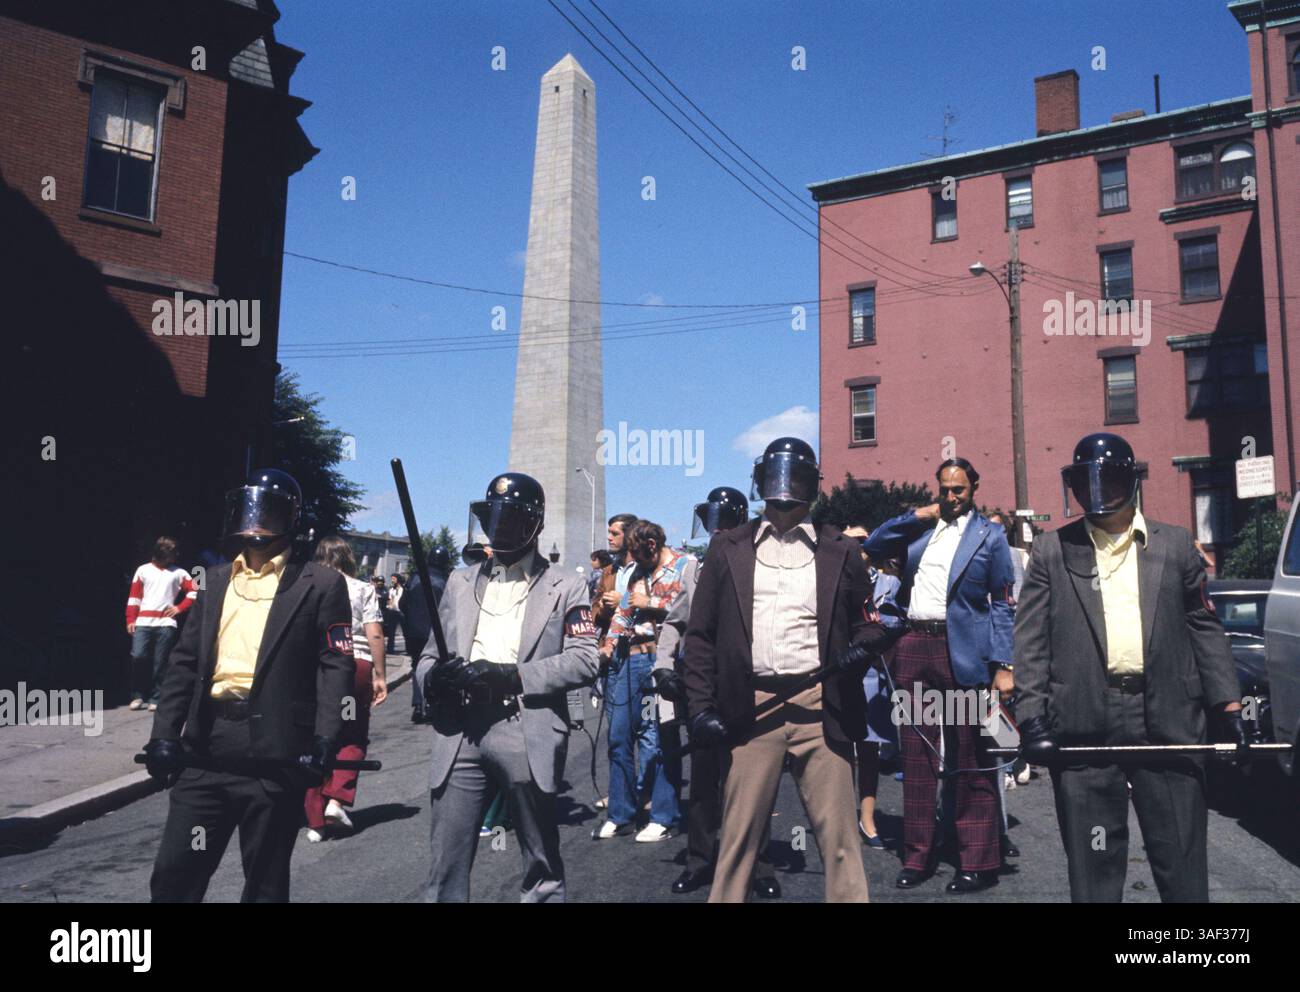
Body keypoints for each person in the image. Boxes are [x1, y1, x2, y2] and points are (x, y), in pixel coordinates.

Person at [1015, 432, 1245, 903]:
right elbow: (1032, 640)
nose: (1097, 494)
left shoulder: (1175, 545)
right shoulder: (1052, 552)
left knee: (1180, 862)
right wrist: (1032, 716)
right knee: (1095, 864)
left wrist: (1230, 705)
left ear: (1130, 481)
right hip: (1084, 724)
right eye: (1086, 483)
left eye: (1108, 480)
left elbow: (1204, 628)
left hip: (1168, 721)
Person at [683, 437, 886, 903]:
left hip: (821, 708)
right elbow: (699, 639)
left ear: (812, 484)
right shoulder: (727, 548)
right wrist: (701, 707)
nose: (784, 488)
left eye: (795, 476)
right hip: (751, 709)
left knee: (839, 845)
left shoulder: (840, 550)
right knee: (738, 843)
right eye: (777, 475)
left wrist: (864, 648)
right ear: (760, 482)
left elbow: (867, 623)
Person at [143, 469, 355, 902]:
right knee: (174, 875)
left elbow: (335, 667)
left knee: (265, 883)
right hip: (206, 749)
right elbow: (184, 663)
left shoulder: (320, 583)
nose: (255, 522)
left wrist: (324, 739)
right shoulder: (216, 580)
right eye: (248, 510)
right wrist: (163, 735)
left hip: (275, 756)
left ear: (291, 520)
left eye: (267, 512)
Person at [415, 472, 599, 902]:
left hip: (522, 721)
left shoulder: (566, 586)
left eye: (511, 520)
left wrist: (513, 675)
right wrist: (433, 678)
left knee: (540, 860)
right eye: (492, 520)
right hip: (459, 729)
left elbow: (585, 657)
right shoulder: (460, 582)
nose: (499, 530)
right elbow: (427, 656)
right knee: (445, 862)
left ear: (535, 525)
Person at [864, 457, 1015, 894]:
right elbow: (874, 544)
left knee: (971, 757)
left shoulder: (991, 535)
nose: (951, 497)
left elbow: (1003, 603)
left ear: (974, 489)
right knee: (916, 760)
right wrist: (919, 514)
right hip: (915, 647)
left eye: (959, 490)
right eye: (944, 489)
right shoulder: (920, 532)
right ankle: (918, 857)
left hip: (964, 653)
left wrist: (1003, 665)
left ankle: (979, 860)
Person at [659, 486, 782, 898]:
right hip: (702, 686)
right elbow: (676, 621)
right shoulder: (693, 568)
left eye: (723, 523)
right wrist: (662, 666)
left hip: (747, 683)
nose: (716, 531)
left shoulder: (757, 561)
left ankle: (760, 864)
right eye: (711, 524)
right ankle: (700, 860)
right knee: (704, 780)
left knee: (753, 776)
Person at [594, 520, 687, 842]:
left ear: (651, 546)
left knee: (662, 737)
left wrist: (653, 604)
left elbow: (694, 609)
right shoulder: (636, 573)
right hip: (629, 660)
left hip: (662, 660)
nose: (632, 560)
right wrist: (606, 647)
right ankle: (621, 813)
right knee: (619, 736)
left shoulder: (685, 566)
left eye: (637, 553)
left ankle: (663, 815)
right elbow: (623, 613)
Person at [305, 536, 388, 842]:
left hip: (319, 667)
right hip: (356, 664)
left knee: (315, 736)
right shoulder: (362, 588)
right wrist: (380, 675)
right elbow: (375, 633)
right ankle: (336, 800)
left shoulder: (309, 586)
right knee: (352, 733)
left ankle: (314, 819)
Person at [841, 524, 902, 850]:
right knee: (837, 750)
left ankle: (867, 818)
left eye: (864, 542)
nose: (858, 548)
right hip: (842, 671)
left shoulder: (889, 582)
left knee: (869, 749)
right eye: (851, 542)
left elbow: (897, 619)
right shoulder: (835, 581)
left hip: (874, 674)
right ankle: (837, 818)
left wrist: (881, 627)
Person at [125, 536, 197, 711]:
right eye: (172, 554)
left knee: (161, 662)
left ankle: (155, 697)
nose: (176, 556)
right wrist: (130, 619)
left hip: (166, 623)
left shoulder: (179, 572)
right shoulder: (143, 570)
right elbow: (135, 597)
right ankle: (137, 695)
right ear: (162, 555)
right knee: (138, 656)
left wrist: (179, 608)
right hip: (143, 621)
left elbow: (195, 592)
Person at [406, 545, 451, 724]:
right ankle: (433, 703)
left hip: (414, 631)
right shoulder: (445, 582)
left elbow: (403, 603)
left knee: (417, 665)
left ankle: (418, 704)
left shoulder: (414, 578)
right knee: (437, 665)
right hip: (435, 632)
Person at [387, 573, 405, 653]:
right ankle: (390, 649)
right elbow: (389, 600)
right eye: (391, 579)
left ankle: (409, 649)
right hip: (393, 612)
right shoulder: (391, 590)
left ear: (398, 579)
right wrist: (390, 606)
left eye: (394, 579)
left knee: (405, 631)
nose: (392, 580)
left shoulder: (403, 590)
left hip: (401, 612)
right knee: (391, 632)